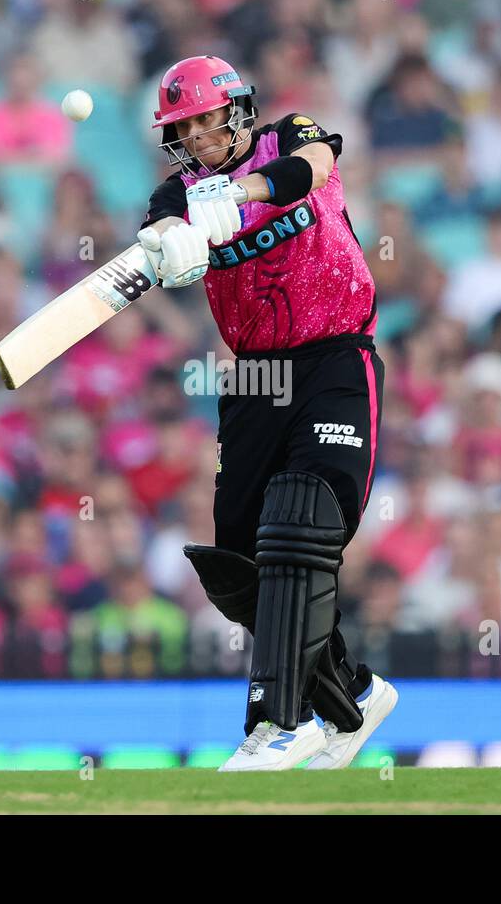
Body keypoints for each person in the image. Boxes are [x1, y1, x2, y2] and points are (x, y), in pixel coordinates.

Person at [138, 55, 397, 771]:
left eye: (203, 119)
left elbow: (310, 167)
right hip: (256, 377)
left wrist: (235, 194)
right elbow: (156, 235)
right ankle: (352, 695)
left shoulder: (289, 137)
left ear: (236, 110)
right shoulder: (176, 195)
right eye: (180, 128)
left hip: (336, 356)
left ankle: (276, 723)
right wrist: (171, 243)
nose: (195, 136)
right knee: (243, 563)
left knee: (301, 522)